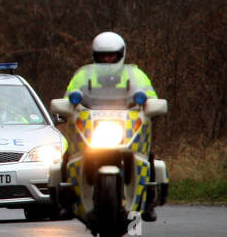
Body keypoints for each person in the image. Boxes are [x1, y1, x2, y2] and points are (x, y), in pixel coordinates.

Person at [66, 31, 161, 221]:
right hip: (92, 125)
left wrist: (152, 105)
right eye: (103, 56)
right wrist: (65, 107)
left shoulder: (135, 75)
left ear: (120, 54)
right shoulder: (83, 75)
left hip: (126, 125)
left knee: (146, 156)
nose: (107, 60)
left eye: (111, 55)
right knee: (67, 155)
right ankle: (66, 200)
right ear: (95, 55)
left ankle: (148, 201)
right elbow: (68, 98)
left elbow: (152, 98)